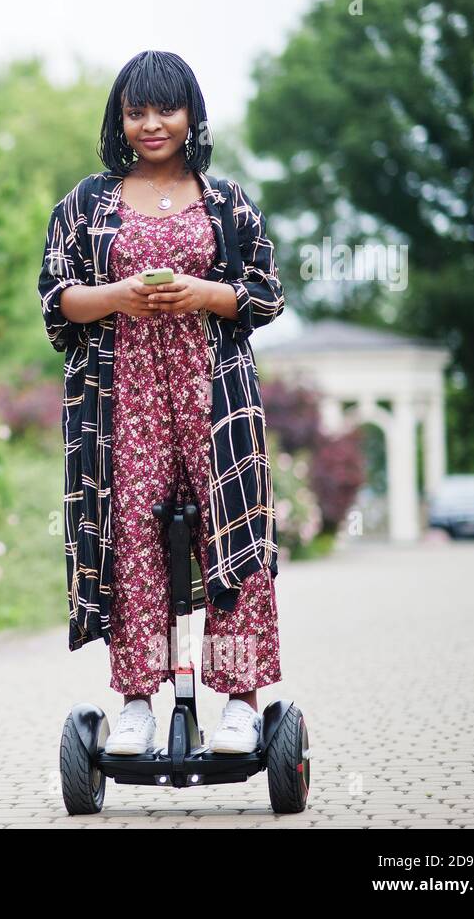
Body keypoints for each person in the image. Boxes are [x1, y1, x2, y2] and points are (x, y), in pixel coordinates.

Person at [38, 50, 286, 755]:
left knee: (233, 540)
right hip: (122, 402)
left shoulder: (225, 199)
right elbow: (56, 302)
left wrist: (203, 292)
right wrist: (119, 296)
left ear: (191, 115)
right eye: (136, 111)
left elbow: (266, 291)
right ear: (120, 117)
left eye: (165, 110)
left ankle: (240, 702)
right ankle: (137, 702)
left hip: (215, 395)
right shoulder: (87, 203)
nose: (151, 124)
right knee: (135, 550)